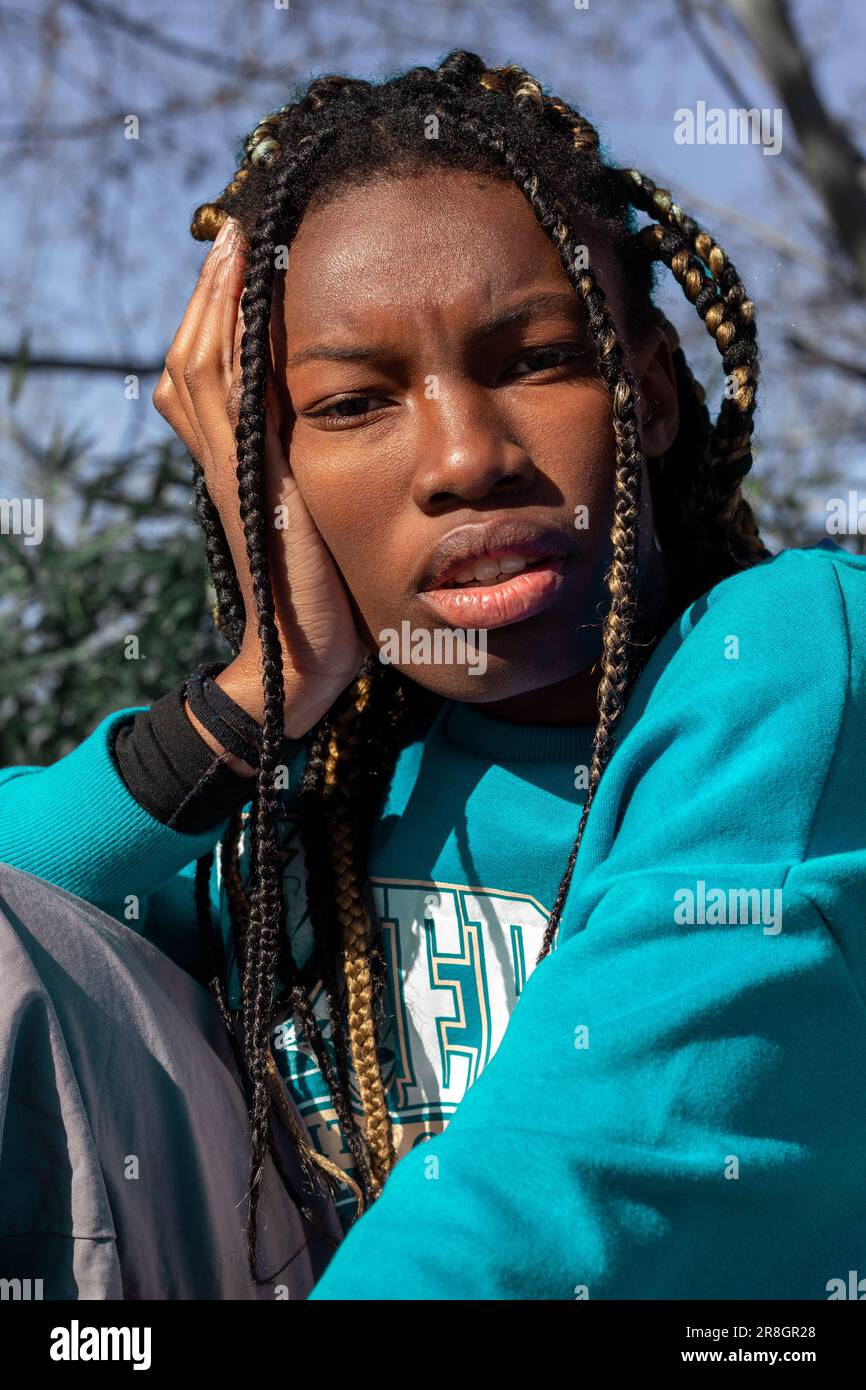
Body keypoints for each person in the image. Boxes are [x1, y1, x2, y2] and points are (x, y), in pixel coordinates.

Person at [1, 49, 864, 1301]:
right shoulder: (323, 793)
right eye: (353, 403)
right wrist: (261, 693)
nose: (465, 457)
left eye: (534, 361)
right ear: (267, 472)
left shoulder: (787, 665)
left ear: (655, 396)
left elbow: (557, 1205)